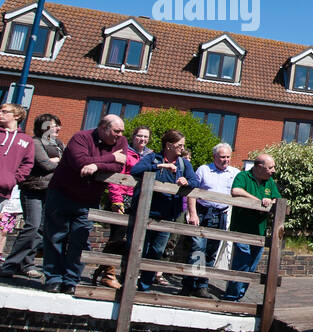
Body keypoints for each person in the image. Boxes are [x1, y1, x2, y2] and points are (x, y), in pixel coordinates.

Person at [42, 115, 127, 293]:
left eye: (121, 131)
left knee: (80, 241)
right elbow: (80, 162)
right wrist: (111, 157)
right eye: (116, 131)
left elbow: (119, 167)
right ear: (103, 128)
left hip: (89, 200)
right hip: (62, 194)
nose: (120, 135)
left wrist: (96, 165)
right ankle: (54, 278)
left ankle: (71, 281)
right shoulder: (81, 138)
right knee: (56, 236)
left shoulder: (121, 142)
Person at [129, 130, 200, 292]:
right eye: (179, 145)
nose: (182, 148)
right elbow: (135, 171)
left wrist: (186, 181)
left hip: (167, 216)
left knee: (157, 251)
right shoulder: (152, 158)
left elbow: (195, 181)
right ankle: (130, 281)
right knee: (139, 248)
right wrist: (159, 166)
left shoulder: (183, 164)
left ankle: (144, 287)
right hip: (147, 212)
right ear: (168, 145)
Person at [0, 113, 64, 281]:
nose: (57, 128)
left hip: (51, 191)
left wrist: (58, 160)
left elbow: (65, 163)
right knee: (32, 226)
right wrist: (58, 161)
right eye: (53, 125)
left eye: (58, 125)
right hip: (33, 189)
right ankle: (10, 264)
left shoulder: (57, 144)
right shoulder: (35, 142)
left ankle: (26, 264)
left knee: (41, 229)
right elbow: (45, 164)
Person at [93, 125, 151, 289]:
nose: (143, 139)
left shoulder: (148, 156)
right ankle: (108, 274)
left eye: (146, 137)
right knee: (117, 236)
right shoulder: (125, 153)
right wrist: (116, 199)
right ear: (133, 136)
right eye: (140, 136)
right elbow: (115, 178)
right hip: (122, 197)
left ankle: (110, 271)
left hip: (138, 198)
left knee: (132, 239)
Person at [184, 143, 239, 299]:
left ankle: (202, 286)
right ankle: (189, 284)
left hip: (220, 215)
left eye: (228, 157)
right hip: (202, 213)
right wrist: (192, 214)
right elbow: (192, 192)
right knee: (197, 249)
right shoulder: (204, 170)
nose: (225, 160)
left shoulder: (234, 173)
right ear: (215, 157)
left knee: (211, 253)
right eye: (222, 157)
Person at [224, 153, 279, 302]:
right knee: (242, 262)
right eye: (270, 167)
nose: (273, 170)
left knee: (252, 265)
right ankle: (231, 296)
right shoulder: (243, 177)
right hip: (241, 229)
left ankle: (239, 294)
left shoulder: (270, 182)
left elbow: (276, 199)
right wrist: (258, 202)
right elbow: (236, 191)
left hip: (259, 231)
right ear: (259, 167)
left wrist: (270, 201)